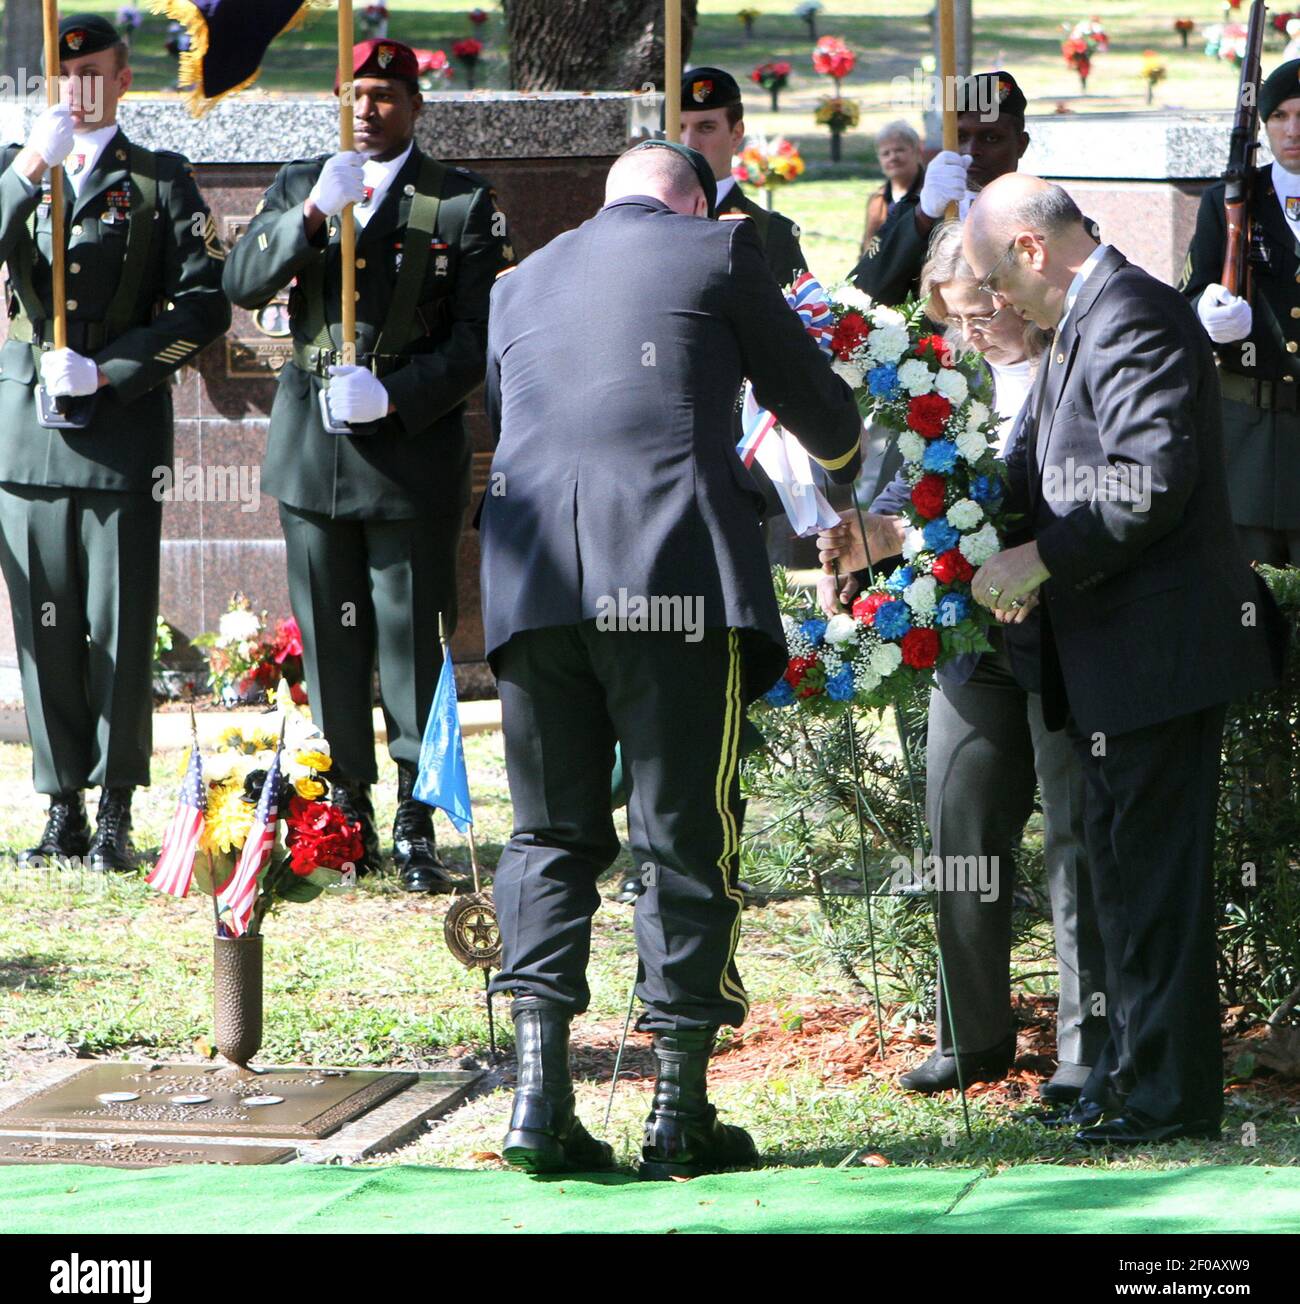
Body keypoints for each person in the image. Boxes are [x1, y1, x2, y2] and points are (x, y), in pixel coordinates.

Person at [479, 141, 862, 1177]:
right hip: (669, 581)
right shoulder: (721, 251)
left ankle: (535, 1100)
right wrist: (852, 458)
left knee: (550, 835)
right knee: (683, 830)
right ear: (695, 202)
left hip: (533, 588)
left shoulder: (515, 286)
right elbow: (819, 411)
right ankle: (678, 1109)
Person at [963, 174, 1285, 1145]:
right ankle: (1131, 1078)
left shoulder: (1130, 314)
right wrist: (939, 528)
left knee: (1150, 887)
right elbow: (1034, 475)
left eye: (990, 276)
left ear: (1029, 246)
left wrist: (1038, 557)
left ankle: (1167, 1098)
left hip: (1157, 652)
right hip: (1115, 656)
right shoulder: (1089, 319)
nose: (991, 302)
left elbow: (1146, 480)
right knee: (1120, 880)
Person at [818, 222, 1106, 1106]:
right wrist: (878, 529)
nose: (973, 332)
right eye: (953, 320)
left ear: (1012, 281)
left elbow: (1102, 493)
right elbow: (906, 494)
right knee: (959, 834)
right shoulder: (947, 379)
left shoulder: (1082, 357)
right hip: (968, 637)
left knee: (1073, 839)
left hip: (1066, 628)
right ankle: (971, 1034)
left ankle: (1086, 1048)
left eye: (981, 312)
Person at [223, 38, 512, 892]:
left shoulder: (457, 201)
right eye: (356, 93)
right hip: (313, 453)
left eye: (387, 95)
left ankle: (418, 817)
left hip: (407, 454)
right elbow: (241, 280)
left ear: (417, 106)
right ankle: (347, 804)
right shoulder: (303, 182)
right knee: (331, 635)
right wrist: (311, 213)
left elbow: (478, 339)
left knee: (412, 634)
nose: (369, 109)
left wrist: (397, 395)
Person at [0, 14, 229, 871]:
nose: (76, 90)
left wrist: (112, 371)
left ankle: (115, 807)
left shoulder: (163, 182)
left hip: (118, 431)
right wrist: (28, 167)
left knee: (118, 626)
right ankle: (59, 803)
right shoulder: (21, 171)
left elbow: (204, 305)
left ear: (124, 81)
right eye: (64, 76)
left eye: (93, 73)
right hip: (27, 432)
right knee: (44, 626)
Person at [1180, 58, 1300, 568]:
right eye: (1280, 117)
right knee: (1251, 610)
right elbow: (1183, 300)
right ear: (1264, 125)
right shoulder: (1229, 201)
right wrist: (1205, 315)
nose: (1294, 130)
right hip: (1248, 440)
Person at [848, 71, 1032, 308]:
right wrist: (923, 217)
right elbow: (862, 295)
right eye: (960, 137)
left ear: (1021, 145)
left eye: (991, 138)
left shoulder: (1047, 215)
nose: (971, 150)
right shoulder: (918, 215)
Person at [679, 65, 807, 287]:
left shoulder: (770, 235)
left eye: (706, 128)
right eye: (679, 128)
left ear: (736, 134)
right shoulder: (649, 221)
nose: (689, 143)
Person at [861, 120, 925, 254]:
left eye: (899, 150)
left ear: (918, 152)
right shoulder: (877, 199)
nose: (893, 157)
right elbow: (866, 249)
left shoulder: (930, 195)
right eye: (885, 153)